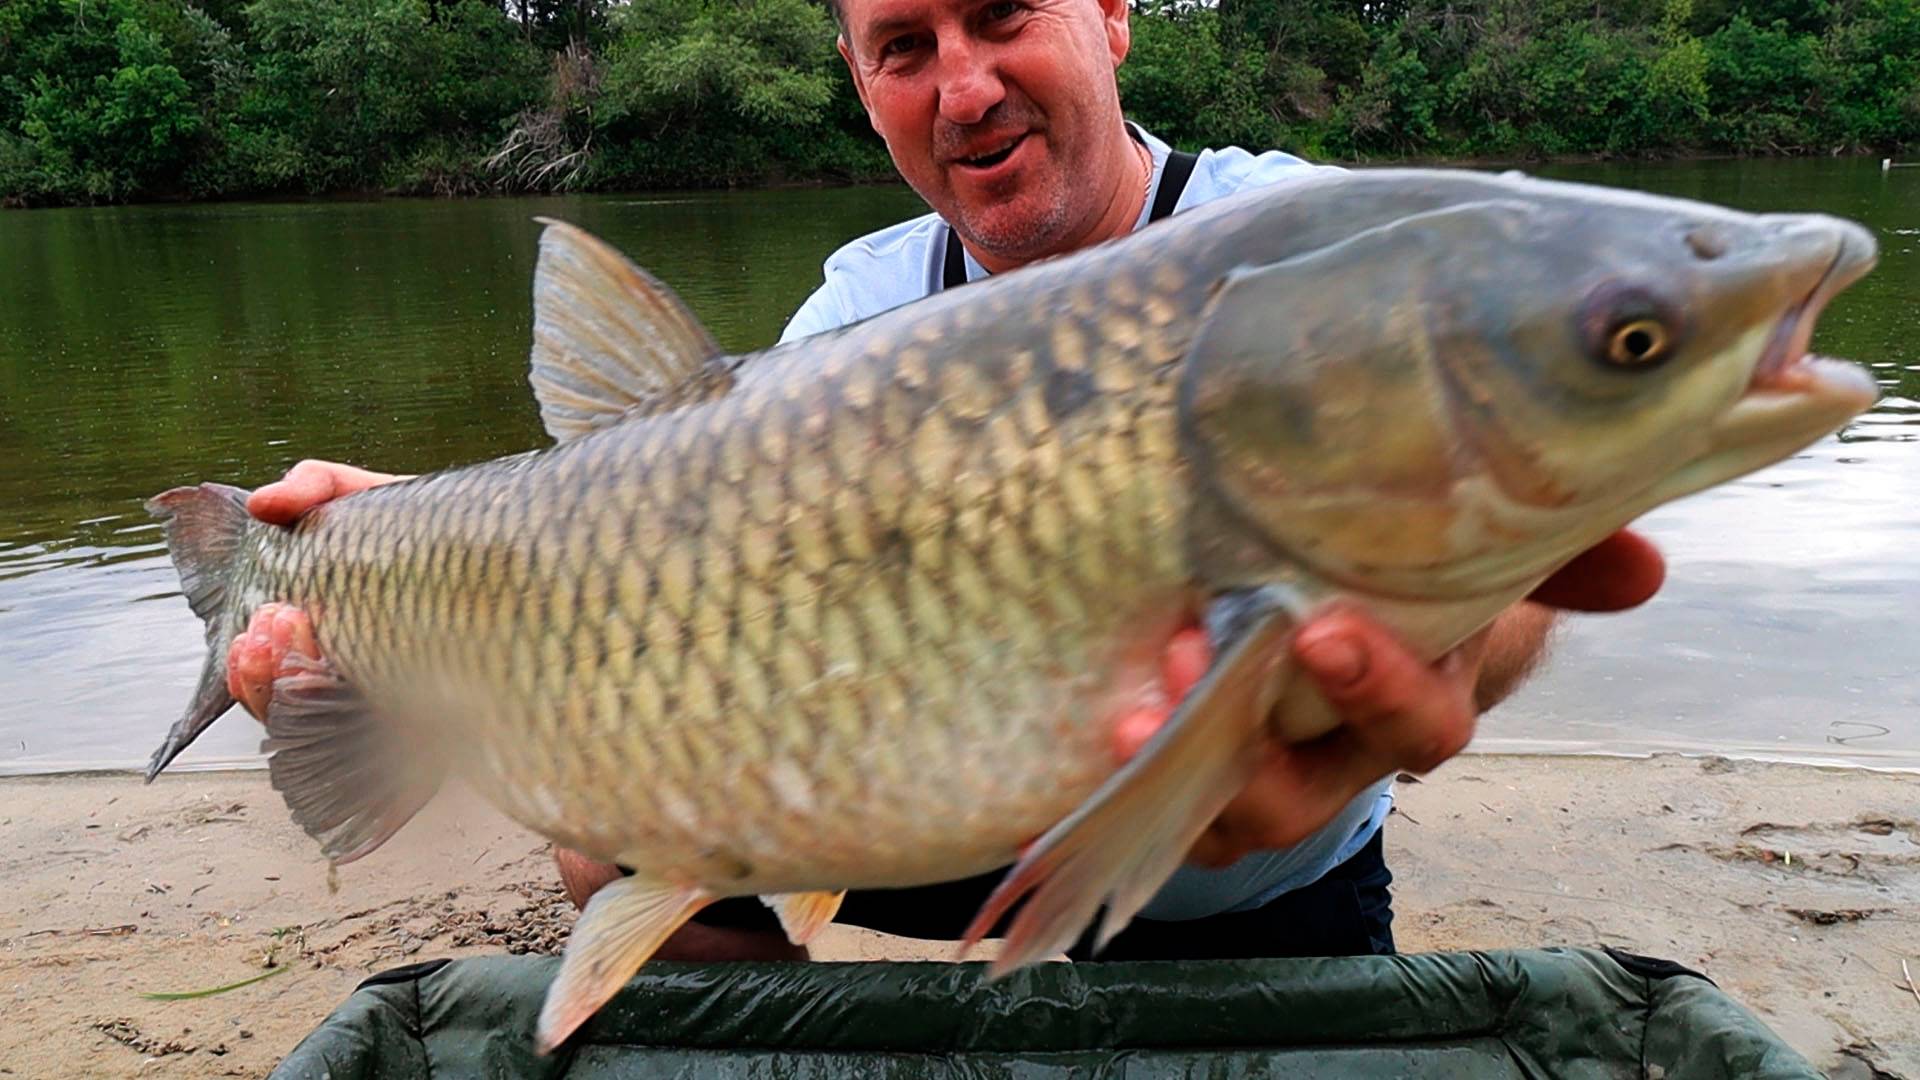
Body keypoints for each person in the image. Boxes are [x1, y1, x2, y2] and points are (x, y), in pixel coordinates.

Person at [225, 0, 1668, 965]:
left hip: (1260, 868)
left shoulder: (1315, 248)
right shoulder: (853, 313)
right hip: (956, 830)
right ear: (862, 86)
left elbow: (1534, 566)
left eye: (1002, 14)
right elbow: (646, 542)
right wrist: (398, 545)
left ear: (1112, 14)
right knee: (606, 848)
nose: (964, 86)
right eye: (905, 45)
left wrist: (1461, 642)